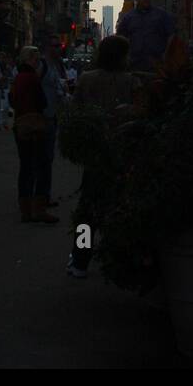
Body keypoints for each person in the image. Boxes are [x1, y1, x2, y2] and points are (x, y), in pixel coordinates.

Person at [67, 35, 137, 278]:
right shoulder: (131, 82)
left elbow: (75, 112)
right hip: (122, 153)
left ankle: (80, 261)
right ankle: (119, 259)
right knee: (121, 207)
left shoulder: (86, 80)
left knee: (87, 211)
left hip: (96, 154)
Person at [9, 46, 57, 223]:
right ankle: (39, 209)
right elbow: (42, 102)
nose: (38, 62)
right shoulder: (31, 78)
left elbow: (11, 99)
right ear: (30, 59)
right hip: (34, 125)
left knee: (26, 167)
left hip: (21, 123)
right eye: (36, 59)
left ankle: (26, 210)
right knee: (42, 165)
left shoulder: (18, 77)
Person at [38, 34, 68, 207]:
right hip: (42, 118)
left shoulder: (57, 66)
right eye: (55, 46)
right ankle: (39, 198)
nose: (59, 48)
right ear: (48, 48)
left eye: (60, 46)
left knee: (47, 159)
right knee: (41, 159)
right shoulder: (41, 65)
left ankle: (43, 196)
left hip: (52, 116)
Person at [116, 0, 175, 73]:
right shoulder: (128, 17)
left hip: (157, 65)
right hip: (135, 65)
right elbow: (120, 37)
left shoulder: (161, 15)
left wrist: (166, 54)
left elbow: (171, 35)